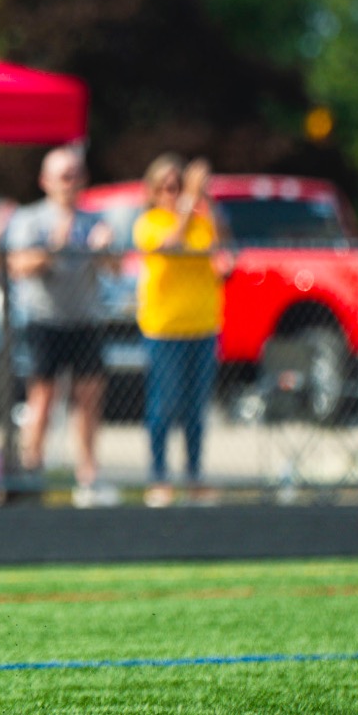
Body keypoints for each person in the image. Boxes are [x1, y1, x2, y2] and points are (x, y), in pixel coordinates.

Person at [5, 145, 117, 506]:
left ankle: (88, 477)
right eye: (63, 175)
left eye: (75, 175)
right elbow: (18, 267)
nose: (70, 182)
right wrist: (54, 246)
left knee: (88, 400)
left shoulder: (94, 221)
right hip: (45, 321)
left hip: (85, 320)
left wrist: (105, 251)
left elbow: (114, 271)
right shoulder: (30, 219)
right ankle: (32, 474)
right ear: (46, 181)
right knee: (42, 399)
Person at [132, 154, 223, 507]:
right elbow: (169, 244)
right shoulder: (149, 222)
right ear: (153, 191)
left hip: (202, 324)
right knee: (164, 404)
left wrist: (207, 201)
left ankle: (195, 475)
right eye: (166, 188)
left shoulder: (200, 220)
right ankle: (158, 476)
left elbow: (220, 251)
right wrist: (188, 202)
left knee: (196, 407)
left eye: (178, 186)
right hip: (164, 327)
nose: (173, 193)